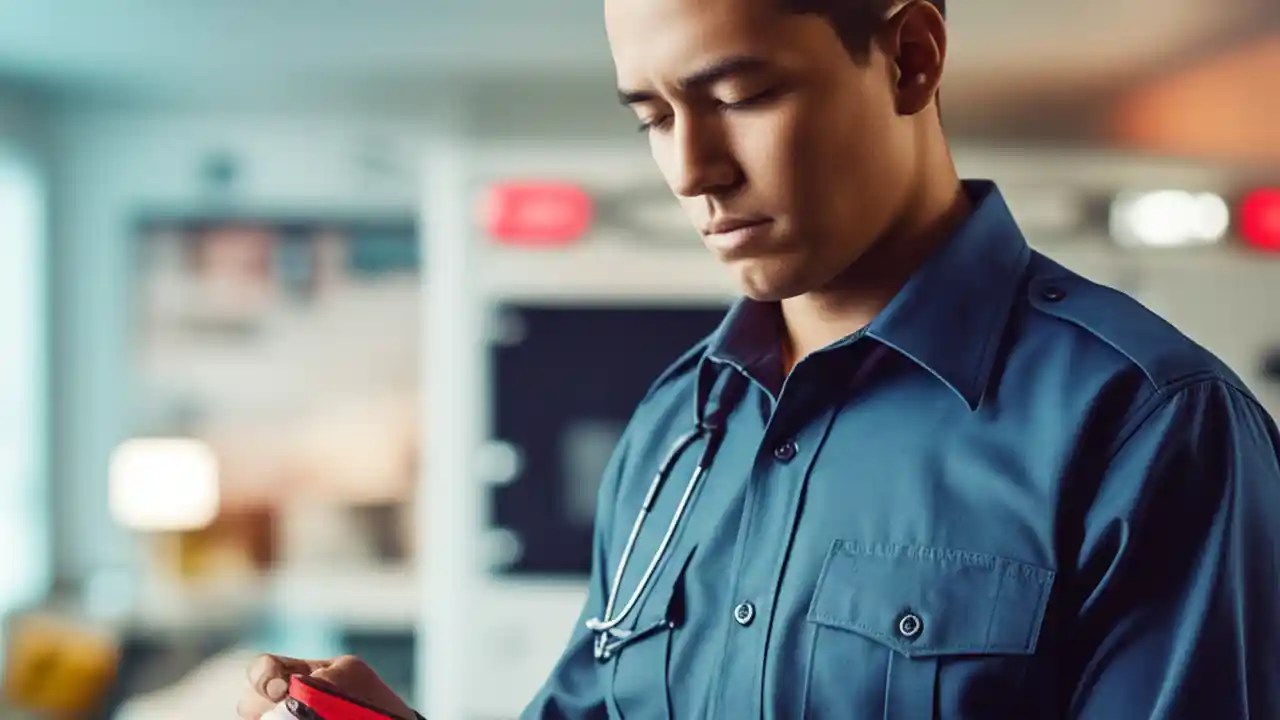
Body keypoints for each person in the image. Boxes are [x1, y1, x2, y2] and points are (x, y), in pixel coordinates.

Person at [239, 0, 1280, 717]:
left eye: (738, 93)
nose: (689, 169)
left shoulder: (1149, 427)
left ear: (911, 56)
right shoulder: (671, 430)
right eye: (652, 115)